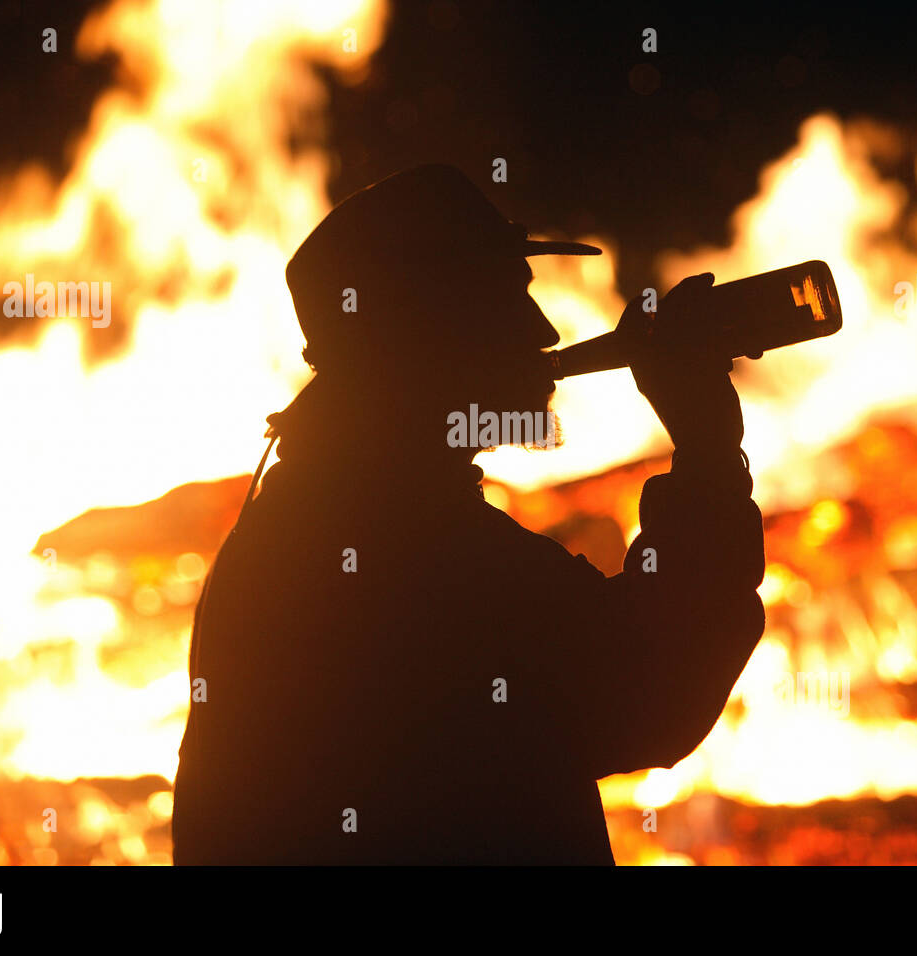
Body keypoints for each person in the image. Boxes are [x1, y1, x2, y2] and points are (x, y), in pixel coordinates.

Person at [172, 164, 765, 864]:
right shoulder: (425, 551)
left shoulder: (298, 525)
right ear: (431, 333)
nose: (543, 332)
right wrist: (706, 447)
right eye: (509, 300)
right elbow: (650, 688)